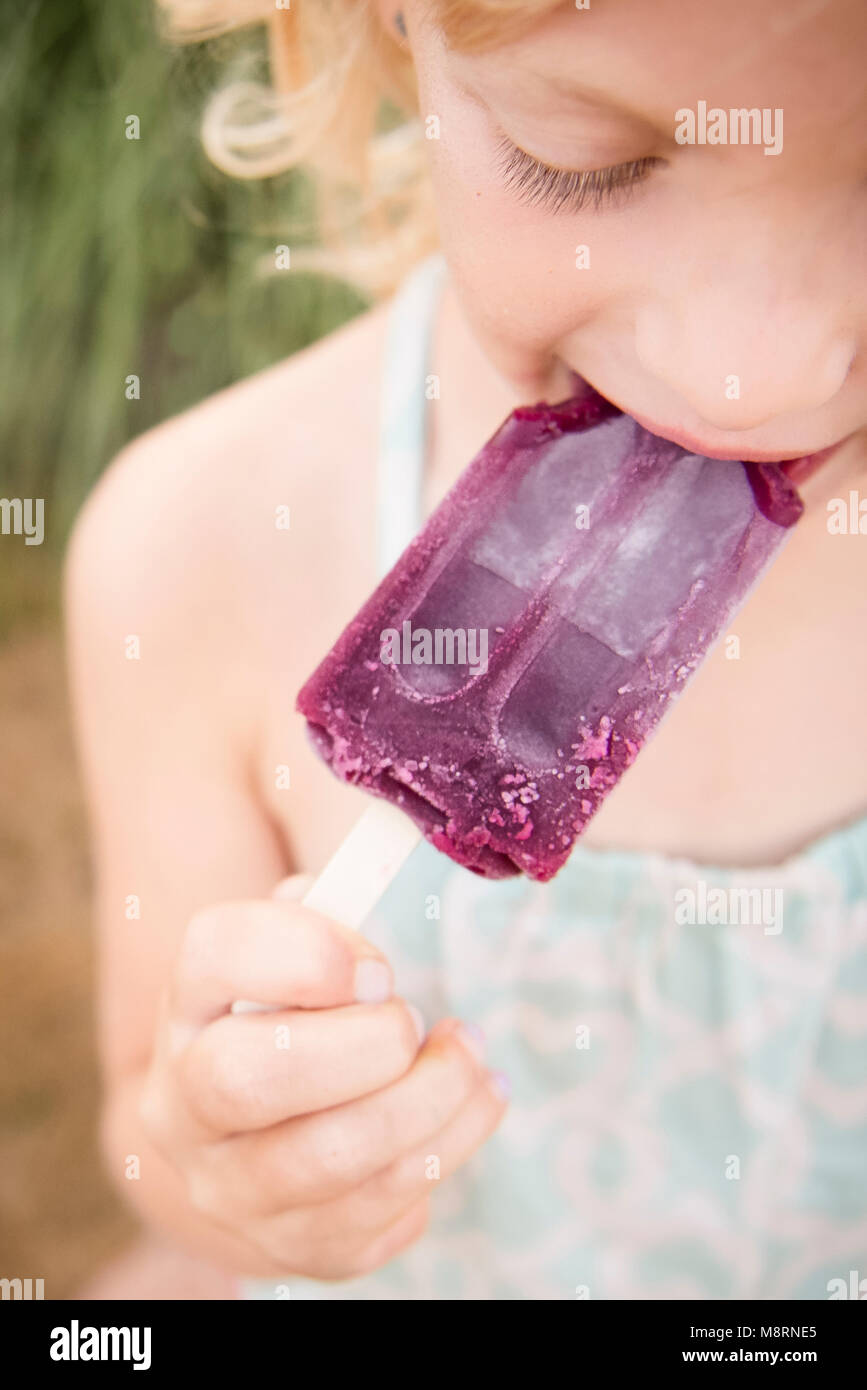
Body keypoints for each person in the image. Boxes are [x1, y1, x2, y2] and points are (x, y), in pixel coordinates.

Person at [66, 0, 867, 1300]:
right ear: (383, 27)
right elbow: (152, 1143)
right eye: (588, 159)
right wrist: (227, 1170)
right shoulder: (192, 557)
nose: (746, 379)